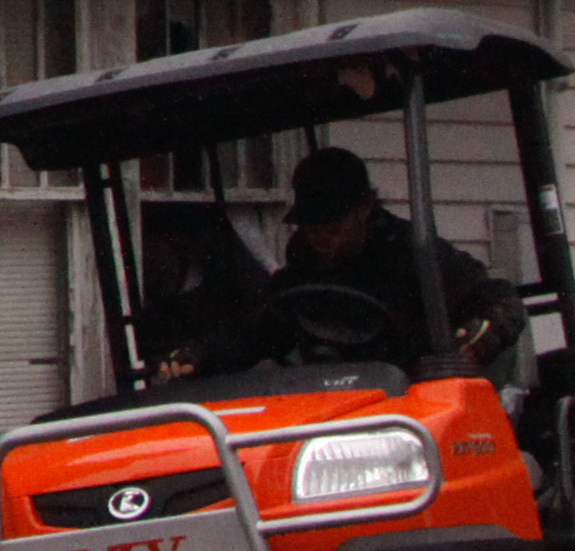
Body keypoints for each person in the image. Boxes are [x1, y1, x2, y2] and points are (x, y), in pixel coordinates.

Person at [154, 145, 506, 383]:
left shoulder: (413, 254)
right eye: (312, 228)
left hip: (409, 401)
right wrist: (200, 355)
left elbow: (495, 298)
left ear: (365, 208)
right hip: (324, 407)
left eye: (333, 227)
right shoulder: (297, 278)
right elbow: (251, 334)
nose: (322, 239)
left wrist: (482, 336)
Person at [130, 197, 270, 373]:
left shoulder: (241, 286)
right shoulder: (154, 309)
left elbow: (251, 340)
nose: (151, 256)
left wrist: (200, 354)